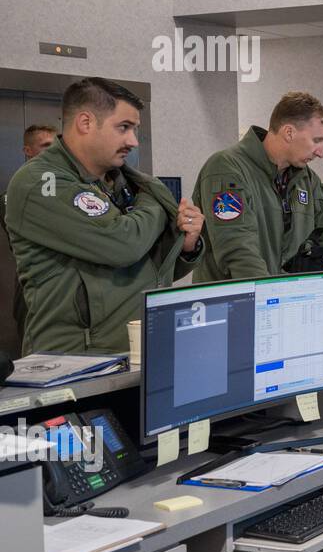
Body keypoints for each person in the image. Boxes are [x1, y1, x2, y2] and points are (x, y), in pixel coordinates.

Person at [5, 78, 204, 354]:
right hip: (74, 364)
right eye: (123, 127)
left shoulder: (123, 182)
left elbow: (149, 269)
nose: (133, 141)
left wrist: (186, 247)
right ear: (86, 123)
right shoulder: (41, 181)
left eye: (135, 129)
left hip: (135, 352)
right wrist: (156, 200)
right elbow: (122, 245)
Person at [192, 91, 323, 296]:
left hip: (276, 305)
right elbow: (239, 252)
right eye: (316, 140)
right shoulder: (227, 168)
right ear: (289, 132)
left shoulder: (305, 180)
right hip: (233, 307)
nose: (321, 152)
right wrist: (270, 302)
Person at [0, 123, 59, 355]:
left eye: (56, 146)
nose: (53, 151)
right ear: (28, 150)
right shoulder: (12, 196)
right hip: (32, 284)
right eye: (46, 146)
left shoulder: (66, 187)